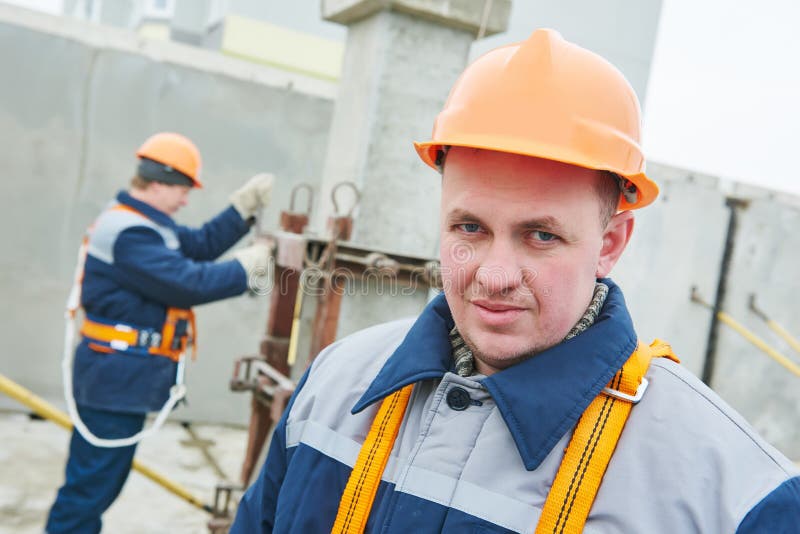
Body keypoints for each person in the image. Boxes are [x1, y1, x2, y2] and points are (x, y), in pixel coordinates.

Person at [231, 30, 800, 533]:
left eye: (540, 236)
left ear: (610, 244)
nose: (494, 275)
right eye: (470, 227)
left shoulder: (733, 497)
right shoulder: (336, 385)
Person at [46, 132, 275, 533]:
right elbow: (188, 282)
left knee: (99, 483)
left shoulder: (143, 223)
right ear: (157, 183)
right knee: (89, 489)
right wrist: (246, 267)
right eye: (183, 190)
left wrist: (241, 211)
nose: (186, 199)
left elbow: (198, 245)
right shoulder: (129, 233)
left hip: (118, 379)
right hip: (113, 381)